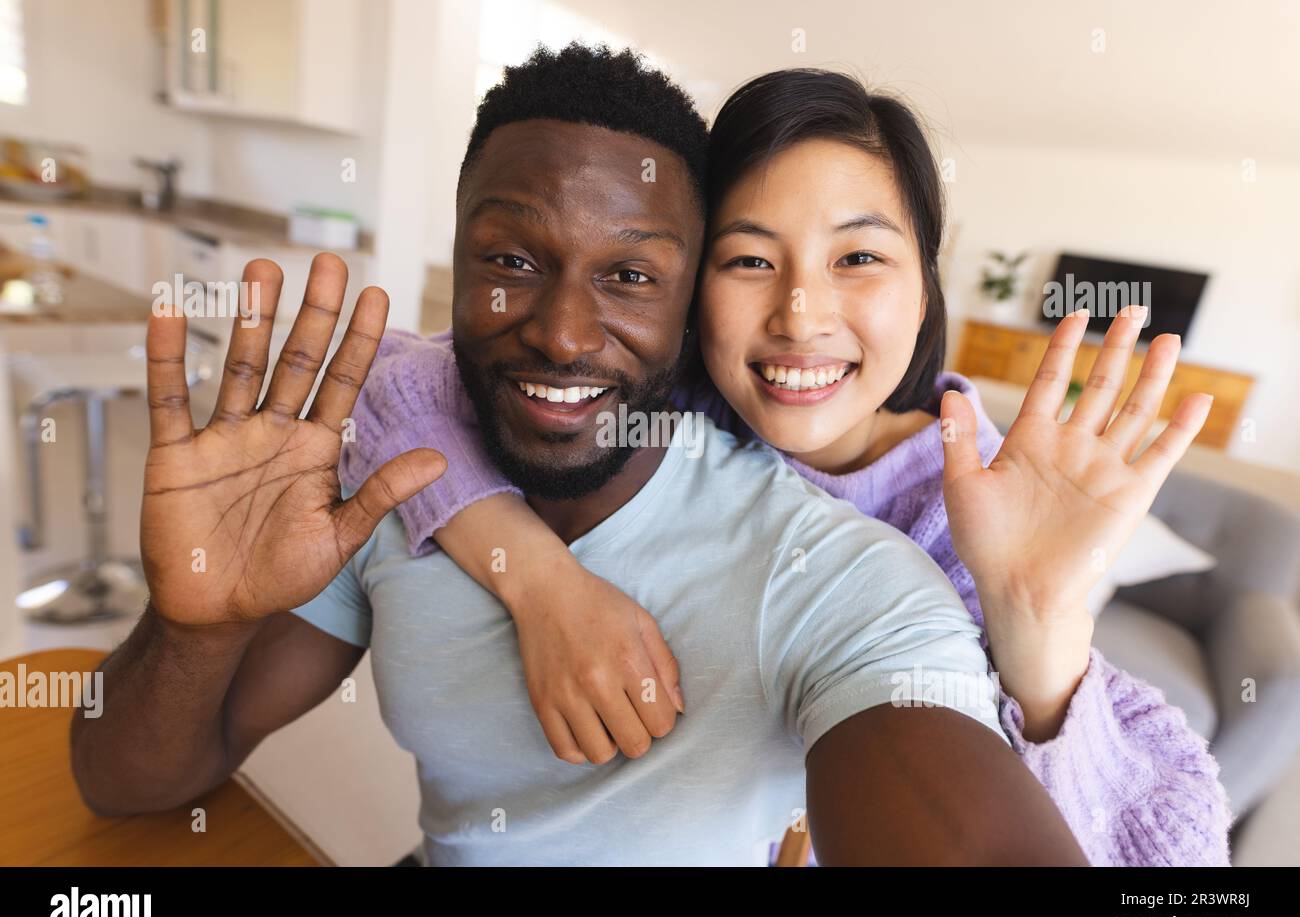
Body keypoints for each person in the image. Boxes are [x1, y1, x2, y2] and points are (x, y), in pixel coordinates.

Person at [69, 44, 1087, 866]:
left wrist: (1042, 634)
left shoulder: (841, 573)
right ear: (455, 264)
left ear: (690, 304)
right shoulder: (385, 488)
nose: (561, 332)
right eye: (511, 261)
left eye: (630, 275)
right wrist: (192, 625)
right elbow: (127, 784)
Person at [341, 61, 1231, 865]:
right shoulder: (671, 395)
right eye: (751, 259)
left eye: (858, 257)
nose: (801, 315)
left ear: (925, 285)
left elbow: (1165, 871)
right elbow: (404, 380)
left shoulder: (966, 507)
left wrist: (1040, 635)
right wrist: (541, 582)